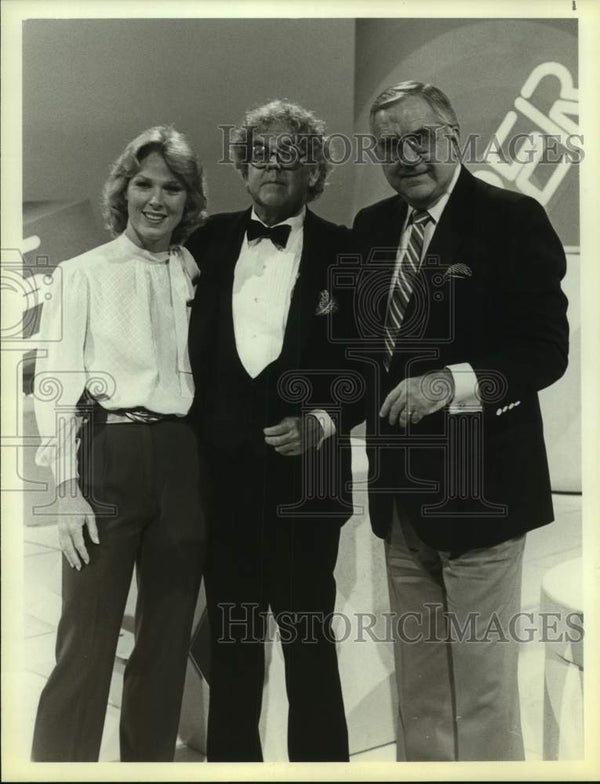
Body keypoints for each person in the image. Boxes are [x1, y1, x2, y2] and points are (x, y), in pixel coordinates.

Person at [352, 81, 569, 760]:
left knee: (482, 694)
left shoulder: (513, 219)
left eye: (420, 138)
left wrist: (453, 382)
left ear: (453, 135)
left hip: (485, 500)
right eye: (390, 145)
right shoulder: (371, 227)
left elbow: (543, 351)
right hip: (401, 506)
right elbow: (362, 359)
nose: (406, 156)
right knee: (420, 695)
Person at [186, 100, 357, 762]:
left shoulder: (348, 250)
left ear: (313, 170)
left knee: (311, 652)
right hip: (218, 491)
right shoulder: (201, 243)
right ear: (243, 166)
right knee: (231, 653)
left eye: (291, 156)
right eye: (261, 155)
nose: (274, 168)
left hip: (309, 491)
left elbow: (371, 364)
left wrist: (324, 418)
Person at [31, 125, 208, 762]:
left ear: (189, 201)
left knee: (165, 648)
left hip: (183, 462)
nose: (156, 200)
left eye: (172, 187)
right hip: (109, 456)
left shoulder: (194, 272)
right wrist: (65, 489)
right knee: (86, 642)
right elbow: (54, 386)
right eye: (143, 184)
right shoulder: (82, 274)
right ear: (122, 191)